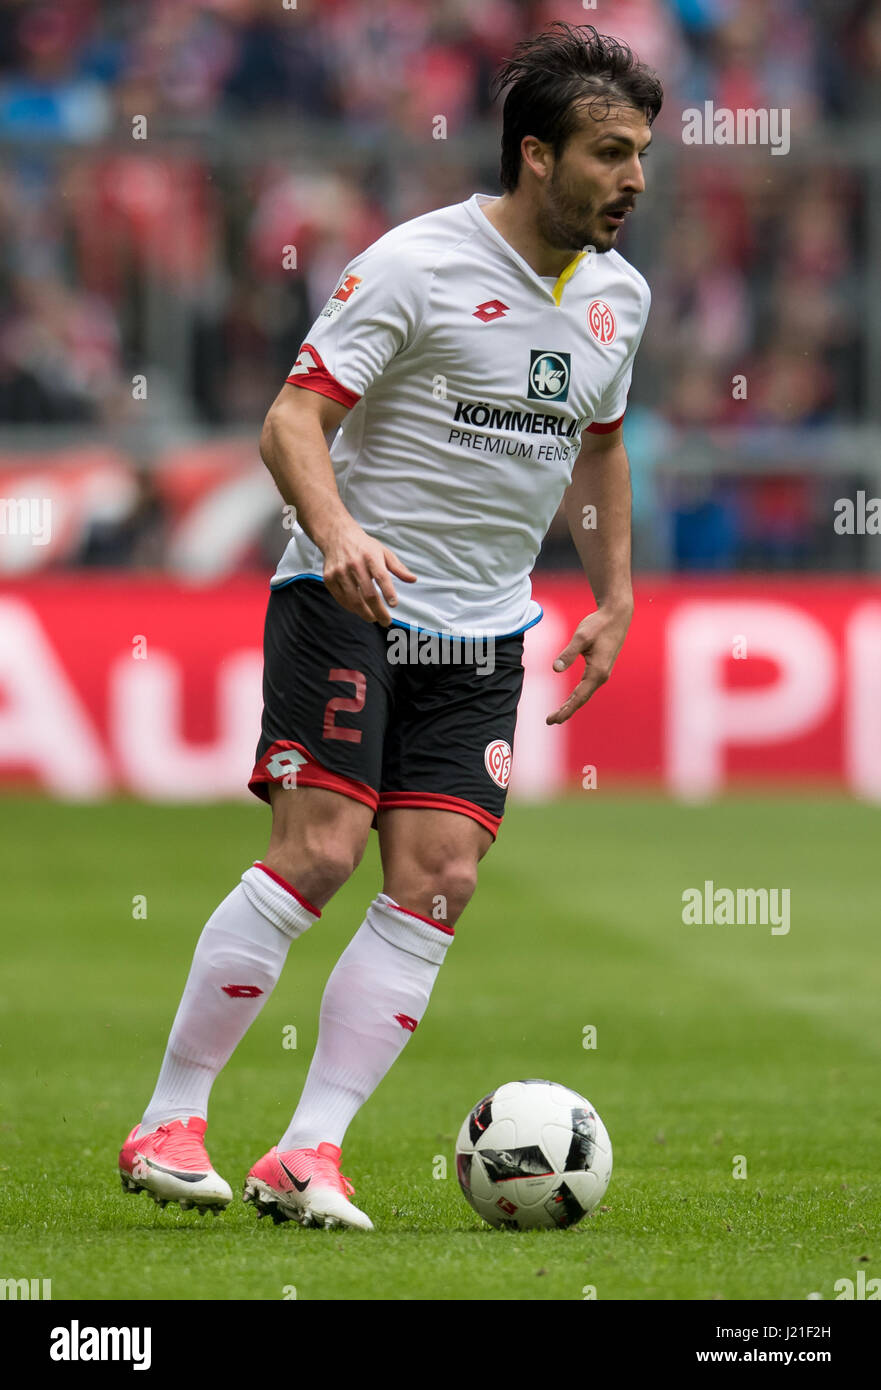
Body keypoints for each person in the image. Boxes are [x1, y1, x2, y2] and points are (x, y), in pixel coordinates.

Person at [118, 22, 662, 1232]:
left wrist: (613, 594)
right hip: (346, 594)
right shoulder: (415, 265)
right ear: (536, 154)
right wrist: (339, 531)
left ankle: (306, 1151)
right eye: (610, 151)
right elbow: (290, 421)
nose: (634, 178)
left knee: (441, 878)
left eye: (642, 153)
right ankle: (171, 1114)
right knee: (318, 849)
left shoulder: (618, 299)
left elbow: (600, 448)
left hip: (480, 629)